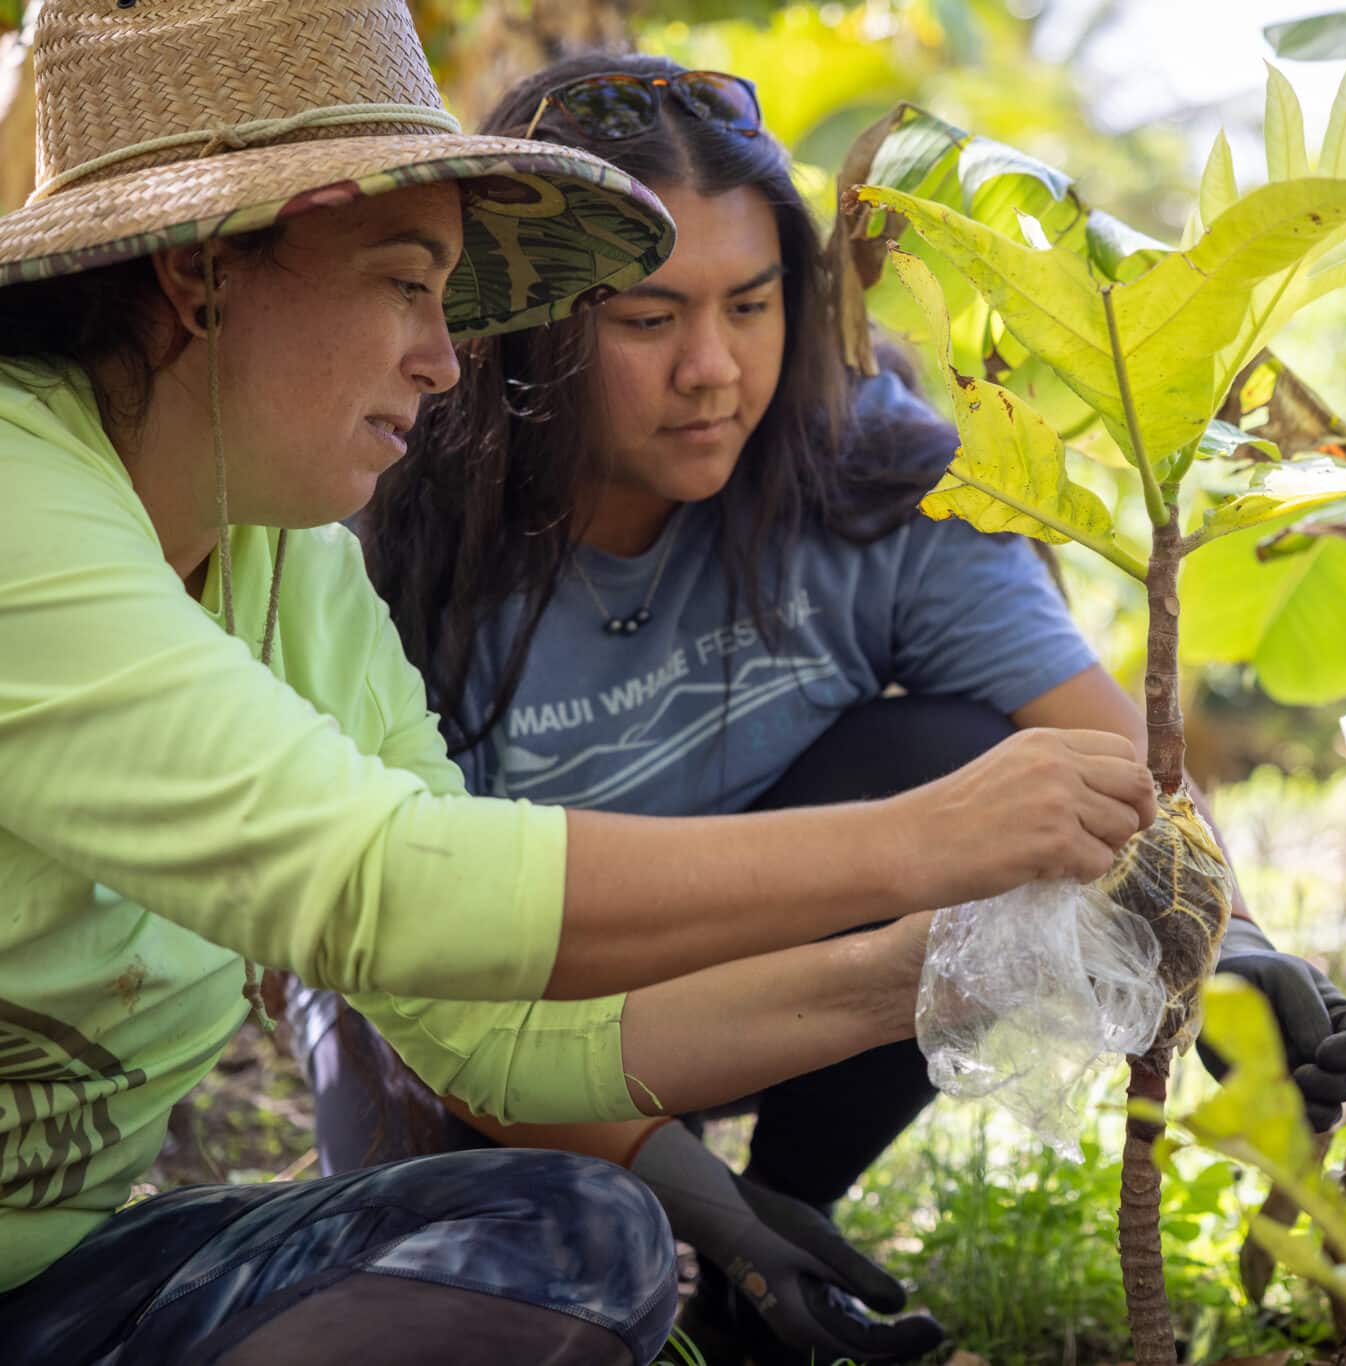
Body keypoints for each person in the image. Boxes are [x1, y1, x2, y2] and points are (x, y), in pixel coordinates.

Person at [0, 4, 1159, 1365]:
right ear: (204, 275)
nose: (442, 359)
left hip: (55, 1283)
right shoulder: (22, 492)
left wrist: (945, 967)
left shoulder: (291, 565)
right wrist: (916, 842)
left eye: (448, 302)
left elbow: (489, 1036)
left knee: (574, 1237)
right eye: (404, 284)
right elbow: (383, 888)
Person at [293, 48, 1346, 1365]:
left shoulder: (872, 473)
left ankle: (796, 1221)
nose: (713, 368)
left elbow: (1101, 751)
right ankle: (717, 1236)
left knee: (967, 763)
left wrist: (1230, 947)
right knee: (513, 1276)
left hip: (760, 983)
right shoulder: (379, 536)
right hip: (457, 1019)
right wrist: (701, 1205)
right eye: (647, 320)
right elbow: (429, 982)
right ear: (528, 320)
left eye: (752, 305)